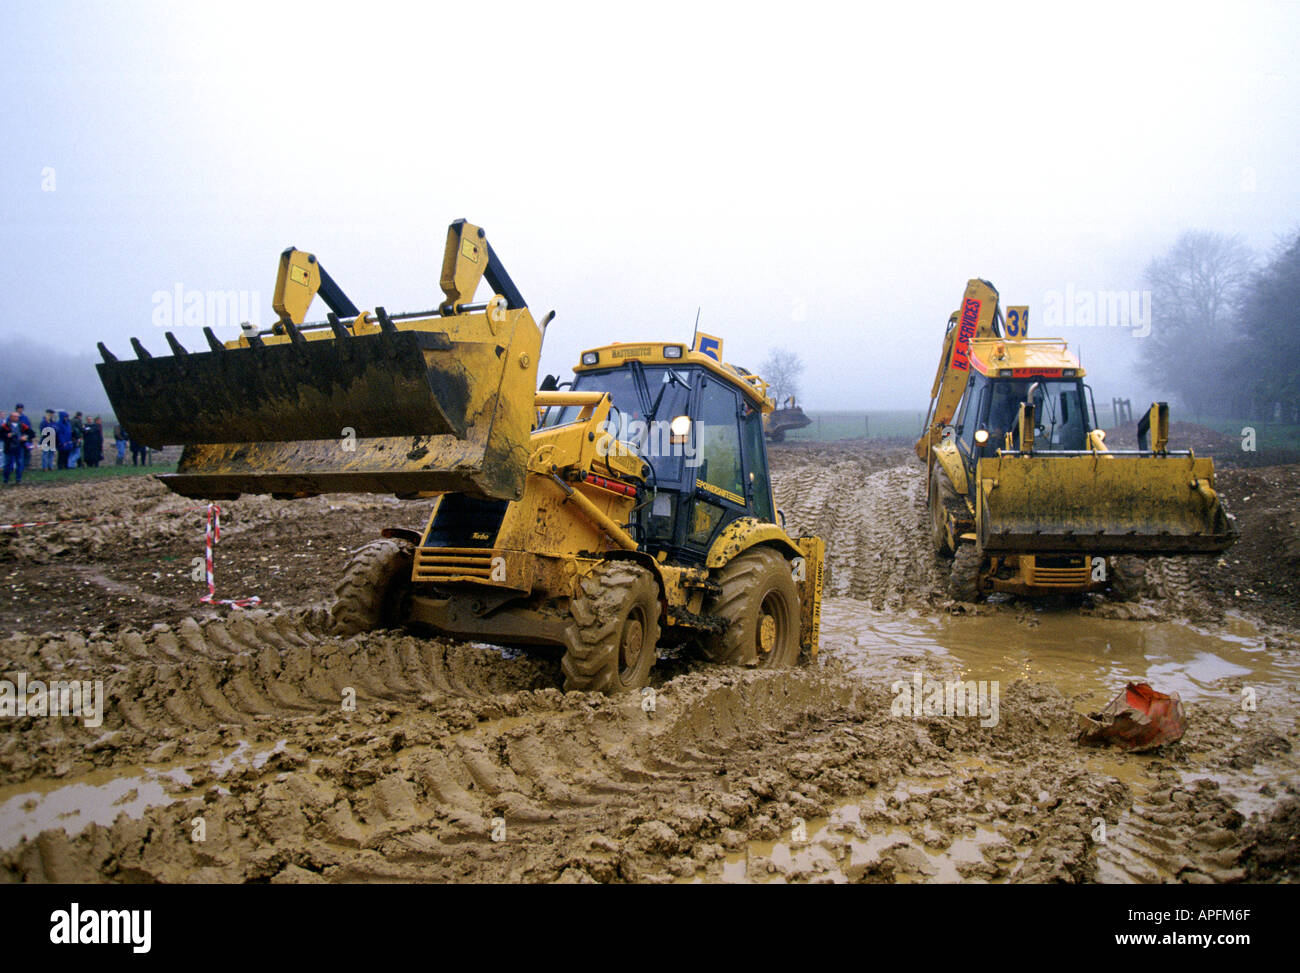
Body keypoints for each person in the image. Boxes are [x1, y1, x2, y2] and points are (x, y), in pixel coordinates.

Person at [2, 411, 32, 484]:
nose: (16, 418)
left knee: (19, 463)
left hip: (19, 447)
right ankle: (6, 479)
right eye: (15, 416)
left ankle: (18, 479)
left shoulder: (22, 425)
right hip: (9, 448)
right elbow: (1, 435)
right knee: (8, 464)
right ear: (11, 417)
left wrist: (25, 437)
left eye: (17, 417)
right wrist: (7, 436)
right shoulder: (5, 426)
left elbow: (31, 433)